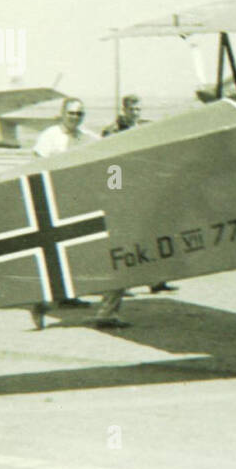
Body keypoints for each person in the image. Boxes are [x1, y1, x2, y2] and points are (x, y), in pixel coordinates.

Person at [93, 95, 175, 327]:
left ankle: (155, 280)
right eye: (133, 108)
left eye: (140, 108)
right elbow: (112, 167)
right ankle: (107, 311)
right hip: (122, 201)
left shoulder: (143, 129)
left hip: (139, 197)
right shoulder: (112, 132)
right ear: (125, 109)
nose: (137, 112)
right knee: (122, 253)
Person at [30, 97, 98, 327]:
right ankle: (43, 300)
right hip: (52, 197)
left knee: (75, 249)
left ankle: (69, 295)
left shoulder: (87, 137)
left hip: (75, 197)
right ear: (62, 113)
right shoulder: (50, 136)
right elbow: (36, 164)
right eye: (71, 113)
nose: (75, 118)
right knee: (52, 251)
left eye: (79, 114)